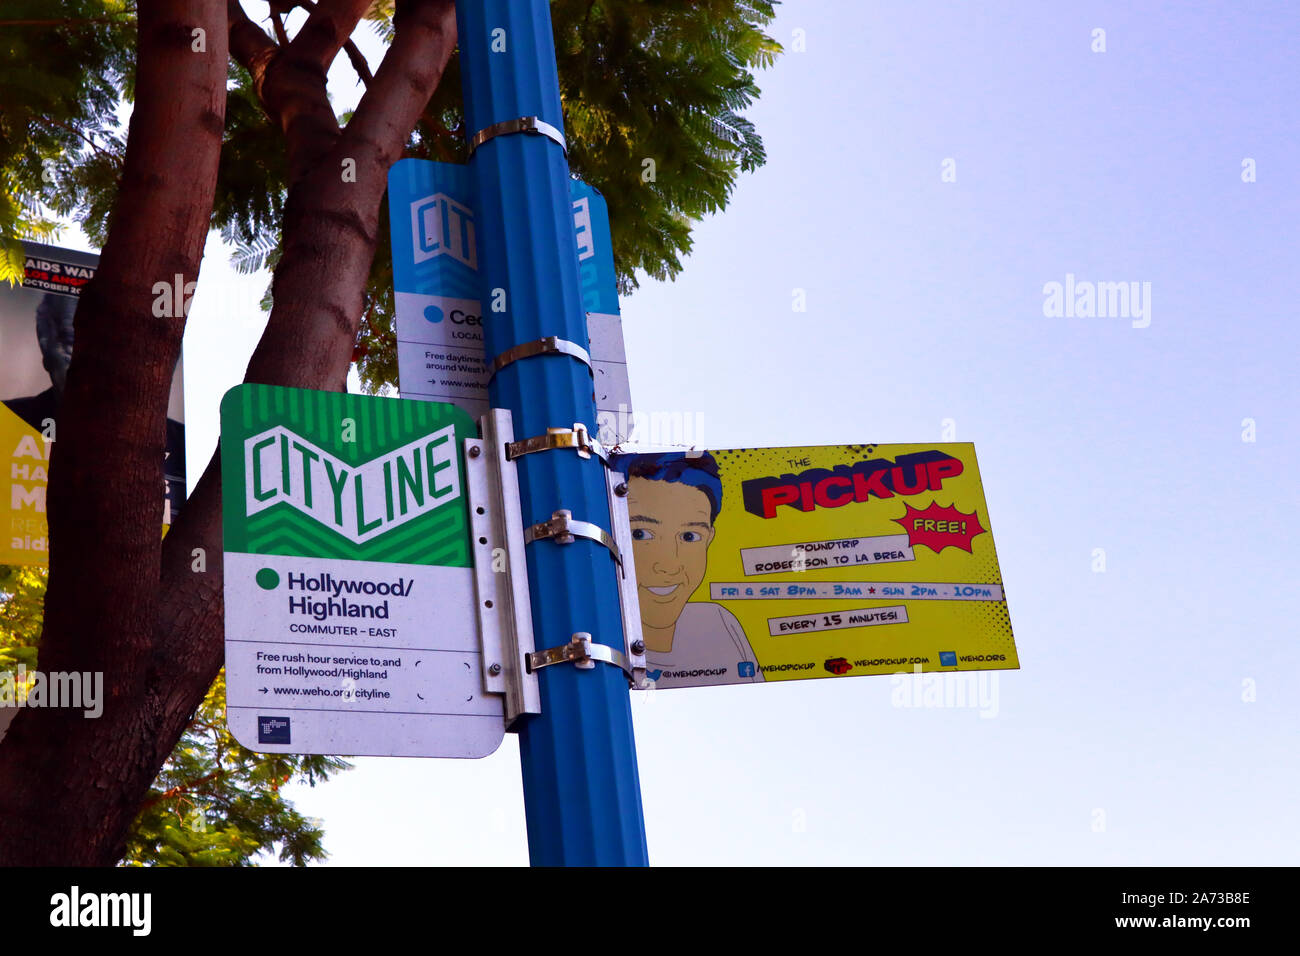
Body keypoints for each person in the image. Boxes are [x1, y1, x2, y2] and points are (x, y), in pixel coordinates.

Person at [612, 451, 762, 688]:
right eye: (640, 534)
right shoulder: (599, 633)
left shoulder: (717, 623)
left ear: (709, 539)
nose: (668, 565)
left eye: (689, 536)